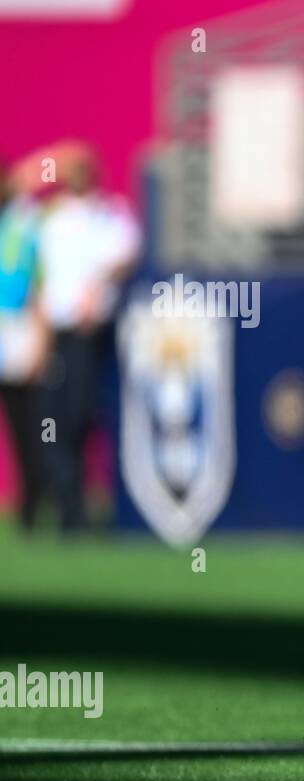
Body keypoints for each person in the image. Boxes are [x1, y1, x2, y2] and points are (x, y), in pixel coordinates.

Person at [35, 144, 139, 532]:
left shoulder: (110, 215)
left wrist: (98, 288)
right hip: (58, 335)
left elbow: (125, 255)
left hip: (94, 335)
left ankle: (95, 508)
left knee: (84, 416)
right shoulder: (52, 220)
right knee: (54, 421)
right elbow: (42, 279)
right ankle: (68, 509)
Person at [0, 157, 48, 531]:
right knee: (20, 422)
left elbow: (38, 284)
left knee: (32, 421)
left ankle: (36, 500)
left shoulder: (25, 221)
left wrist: (39, 338)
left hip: (19, 328)